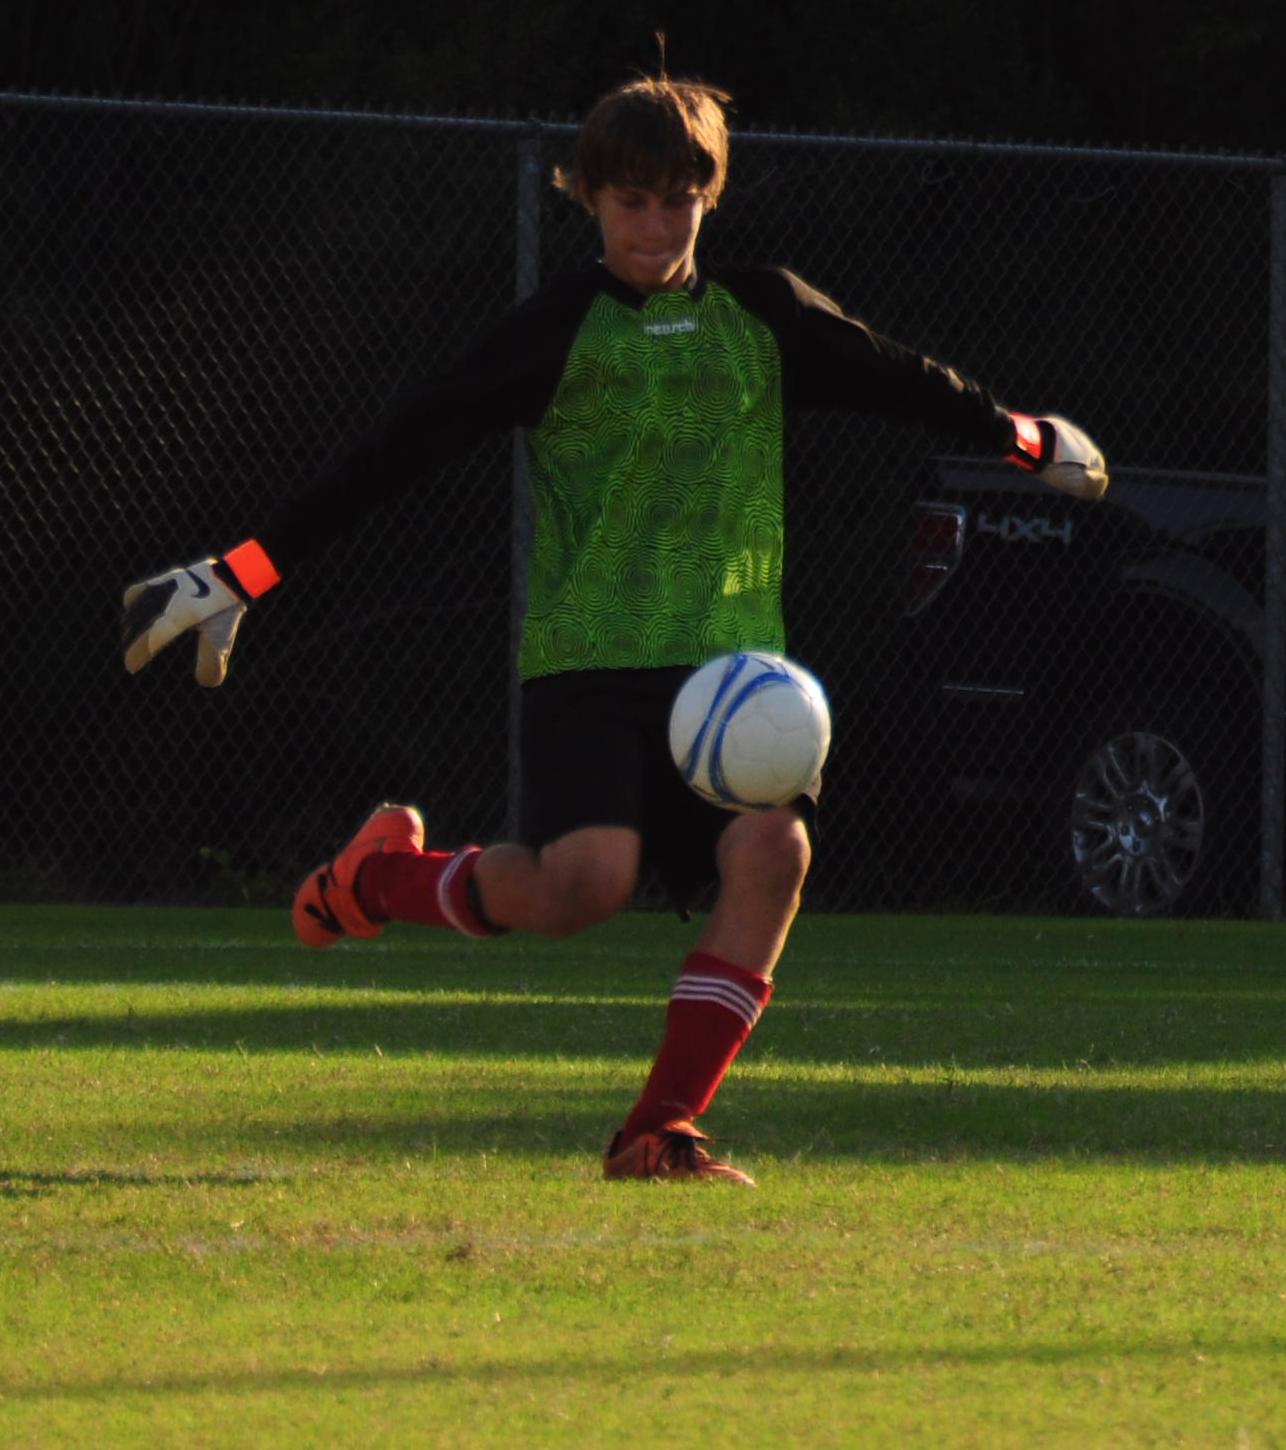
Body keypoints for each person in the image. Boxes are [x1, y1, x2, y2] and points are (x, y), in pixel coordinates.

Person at [122, 74, 1107, 1186]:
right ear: (586, 198)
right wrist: (243, 572)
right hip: (589, 663)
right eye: (631, 200)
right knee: (582, 885)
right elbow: (398, 449)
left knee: (773, 851)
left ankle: (658, 1129)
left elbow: (900, 378)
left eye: (678, 197)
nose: (655, 222)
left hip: (734, 676)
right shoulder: (554, 333)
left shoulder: (763, 313)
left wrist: (1024, 438)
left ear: (709, 197)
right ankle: (381, 882)